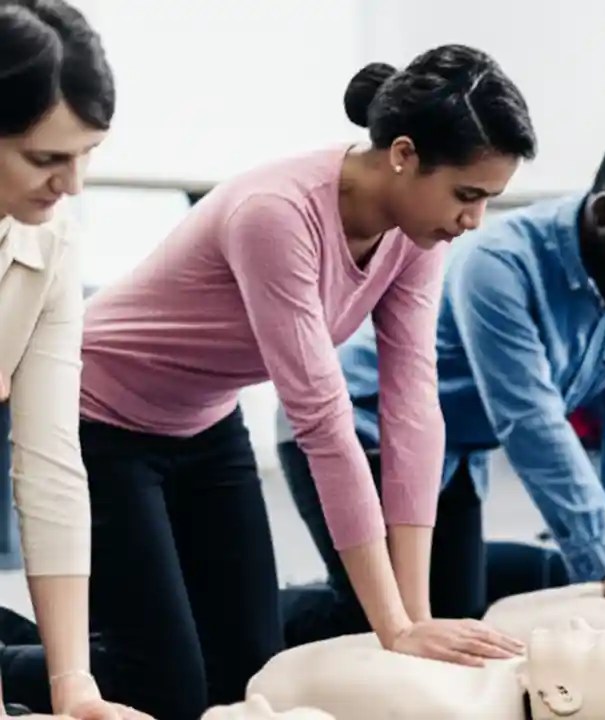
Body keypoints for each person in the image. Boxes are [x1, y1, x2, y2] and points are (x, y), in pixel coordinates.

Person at [0, 44, 537, 720]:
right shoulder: (277, 212)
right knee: (162, 690)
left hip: (205, 421)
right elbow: (323, 422)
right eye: (467, 195)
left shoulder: (416, 233)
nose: (474, 220)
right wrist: (393, 629)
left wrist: (417, 616)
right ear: (403, 154)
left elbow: (412, 409)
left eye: (489, 200)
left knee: (248, 676)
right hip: (99, 414)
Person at [278, 124, 605, 646]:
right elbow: (531, 424)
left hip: (457, 450)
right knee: (376, 624)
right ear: (604, 215)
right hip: (359, 426)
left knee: (458, 615)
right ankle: (270, 606)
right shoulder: (501, 264)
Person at [0, 2, 151, 718]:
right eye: (46, 159)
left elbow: (51, 461)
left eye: (88, 153)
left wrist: (73, 686)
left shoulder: (51, 240)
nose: (75, 184)